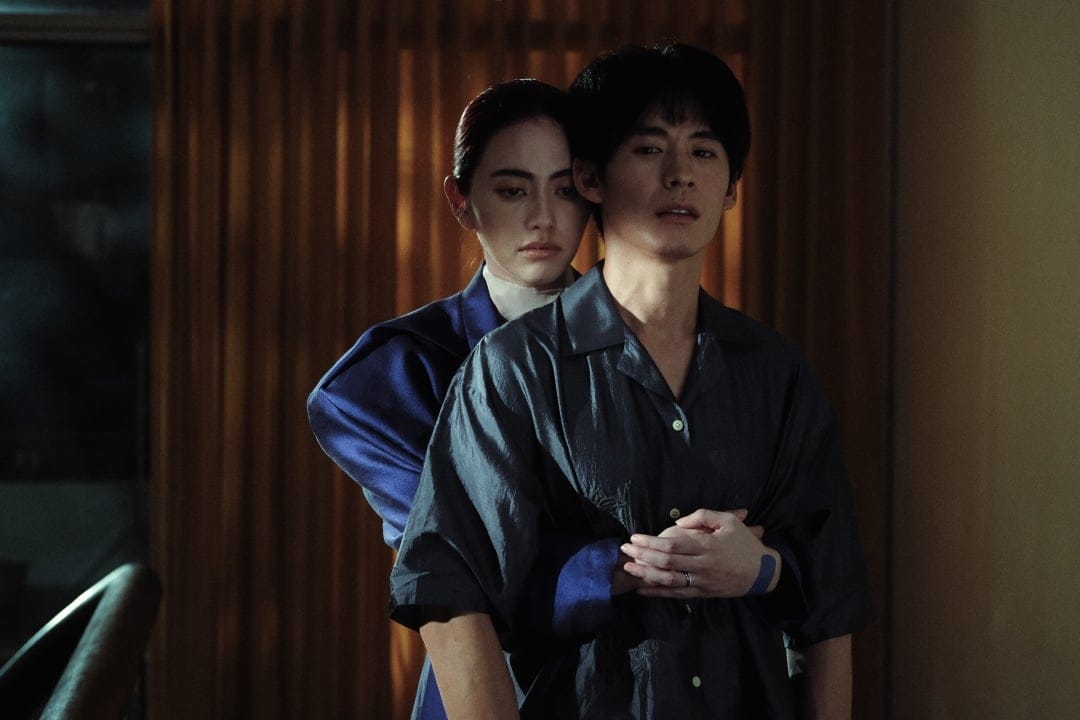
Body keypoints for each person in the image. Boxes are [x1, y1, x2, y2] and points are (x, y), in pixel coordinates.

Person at [388, 44, 873, 719]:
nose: (680, 175)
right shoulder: (514, 368)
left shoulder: (776, 370)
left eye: (704, 151)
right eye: (649, 149)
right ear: (590, 177)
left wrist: (763, 568)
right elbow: (449, 589)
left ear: (732, 186)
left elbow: (830, 591)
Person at [307, 79, 604, 719]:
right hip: (493, 683)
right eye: (513, 190)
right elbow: (471, 562)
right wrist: (636, 565)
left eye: (565, 189)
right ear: (461, 201)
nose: (543, 218)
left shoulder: (657, 343)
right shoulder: (391, 376)